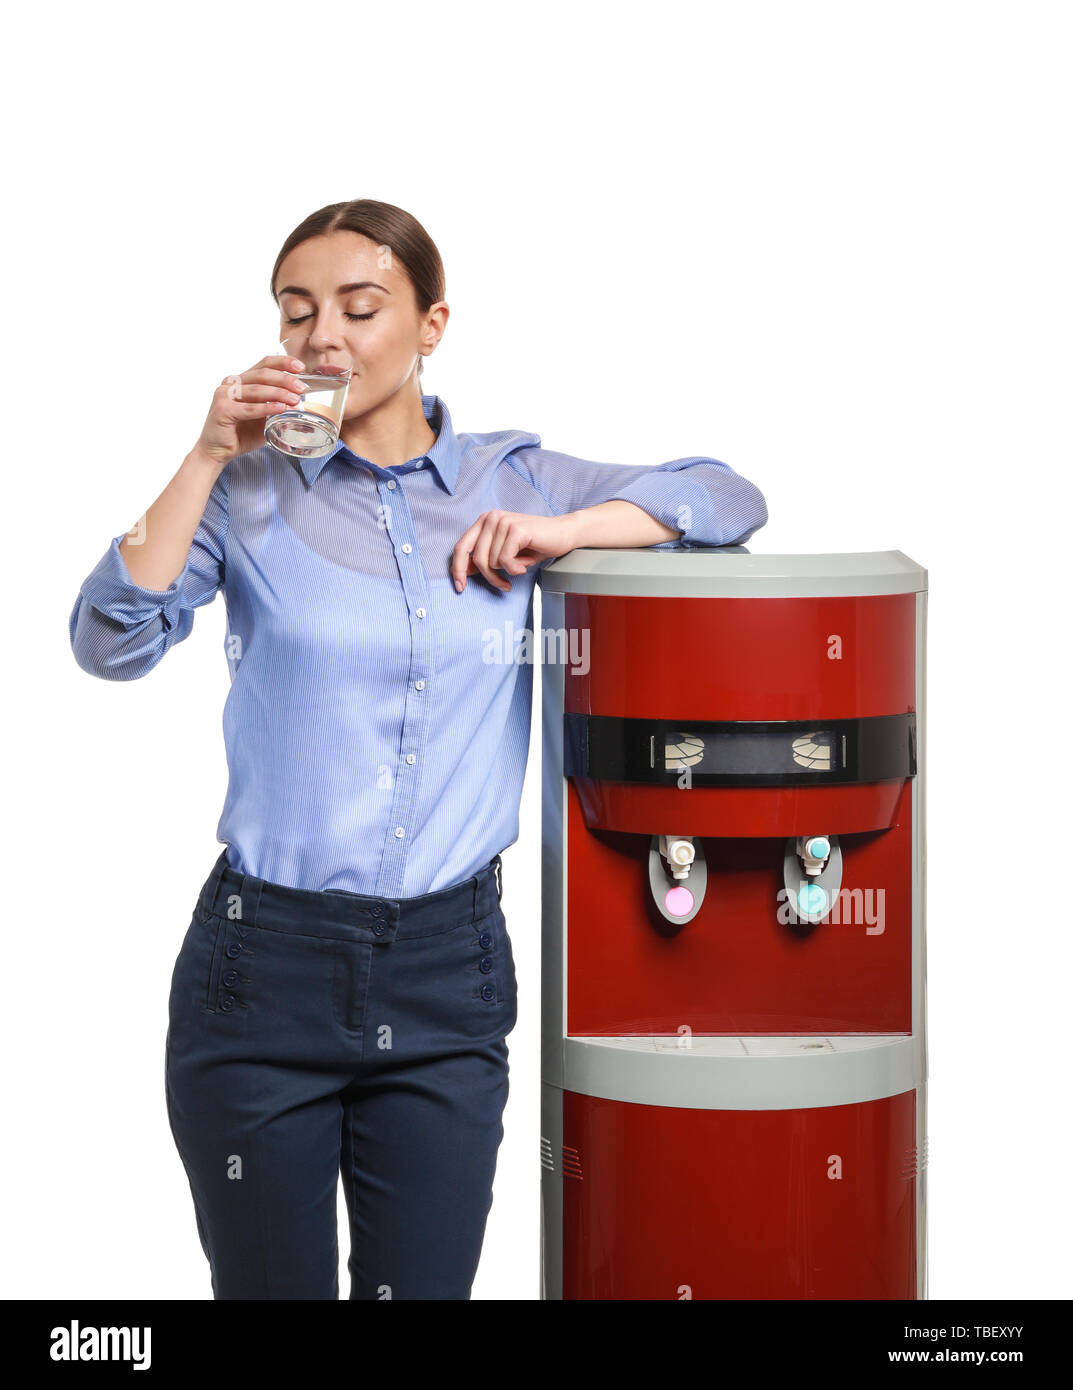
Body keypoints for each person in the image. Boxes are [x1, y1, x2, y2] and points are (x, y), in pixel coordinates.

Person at [68, 198, 768, 1300]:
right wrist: (204, 453)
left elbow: (724, 495)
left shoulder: (513, 480)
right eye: (296, 314)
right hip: (262, 973)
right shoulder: (247, 490)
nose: (322, 338)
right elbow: (108, 640)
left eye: (359, 307)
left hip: (449, 969)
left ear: (432, 323)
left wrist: (568, 533)